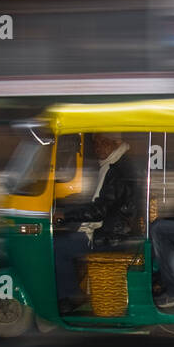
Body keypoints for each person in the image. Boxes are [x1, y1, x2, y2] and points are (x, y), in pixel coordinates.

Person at [53, 132, 138, 314]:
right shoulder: (114, 165)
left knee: (57, 246)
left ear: (116, 142)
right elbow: (101, 202)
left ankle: (72, 295)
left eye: (102, 142)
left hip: (112, 237)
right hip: (112, 230)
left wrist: (65, 215)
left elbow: (99, 211)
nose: (98, 148)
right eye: (95, 143)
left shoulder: (117, 170)